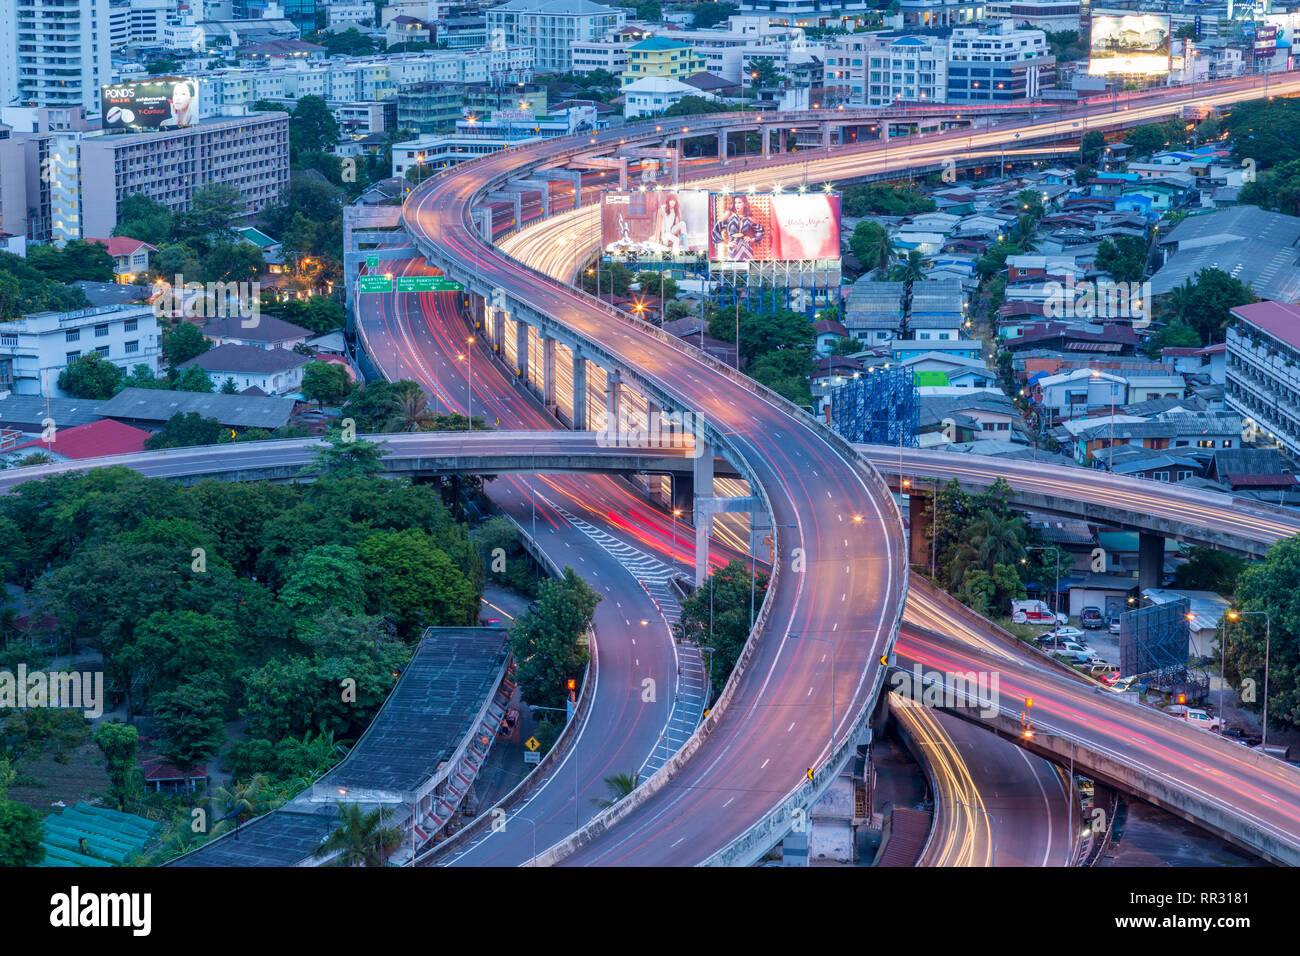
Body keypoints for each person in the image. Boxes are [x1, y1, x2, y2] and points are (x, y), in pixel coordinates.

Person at [710, 195, 765, 261]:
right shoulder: (729, 214)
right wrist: (726, 244)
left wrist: (752, 239)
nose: (737, 205)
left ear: (745, 204)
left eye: (739, 203)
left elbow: (761, 230)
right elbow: (715, 230)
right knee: (733, 270)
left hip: (747, 250)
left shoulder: (749, 218)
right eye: (735, 203)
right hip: (733, 249)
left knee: (748, 270)